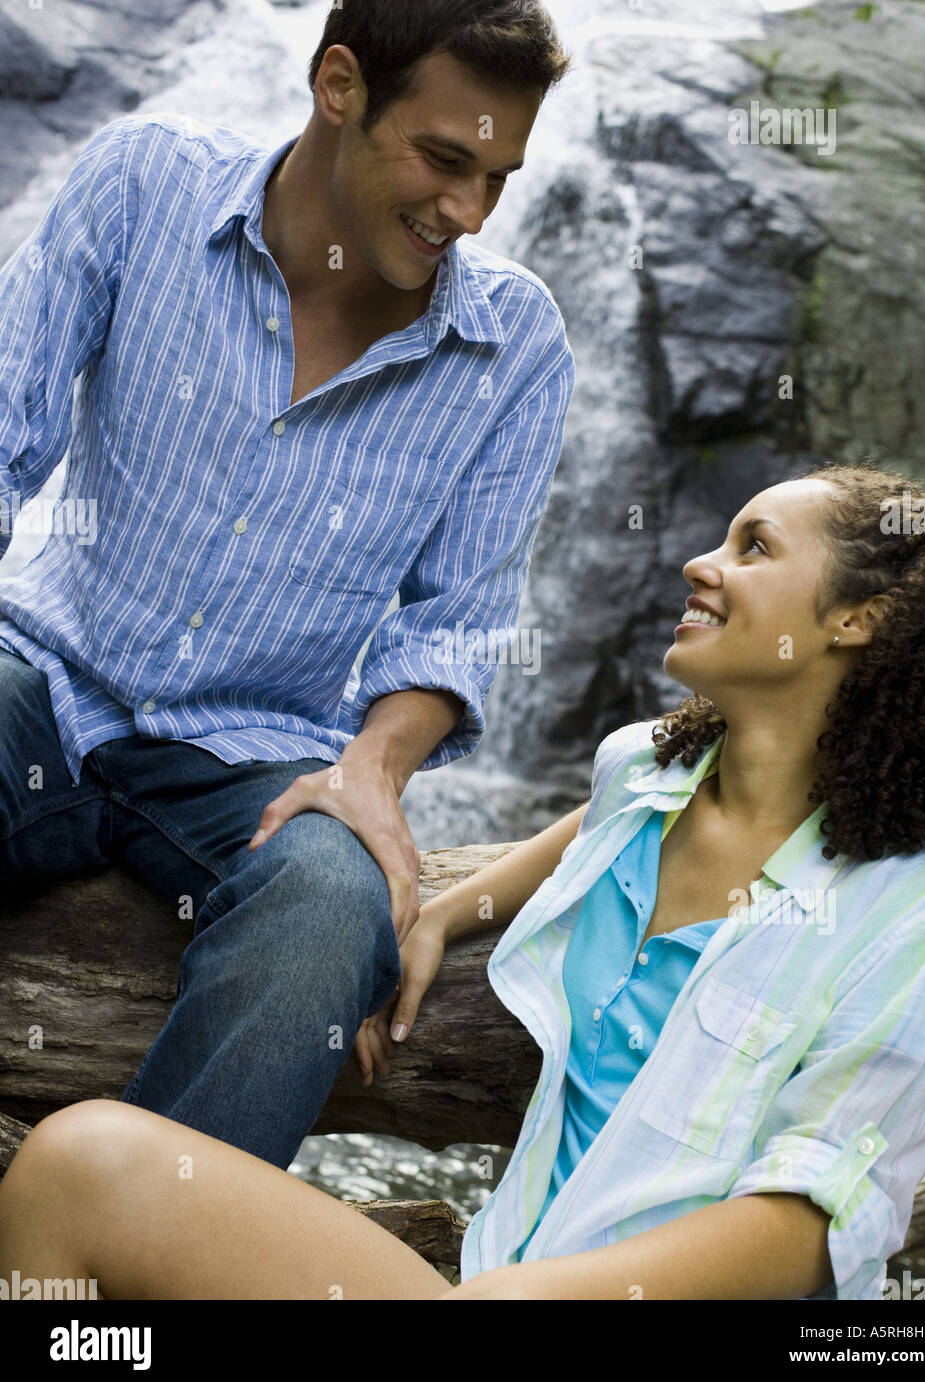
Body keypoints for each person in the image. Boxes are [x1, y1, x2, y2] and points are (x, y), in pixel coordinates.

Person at [3, 463, 925, 1300]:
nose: (699, 563)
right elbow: (587, 824)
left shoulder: (917, 911)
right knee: (78, 1163)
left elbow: (809, 1221)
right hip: (497, 1273)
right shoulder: (648, 772)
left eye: (751, 547)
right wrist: (440, 914)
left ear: (856, 619)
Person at [0, 1, 575, 1168]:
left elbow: (452, 628)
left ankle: (127, 1283)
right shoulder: (142, 187)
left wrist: (370, 773)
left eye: (498, 178)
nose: (465, 213)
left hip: (256, 760)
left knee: (328, 907)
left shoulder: (517, 347)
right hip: (44, 682)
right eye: (443, 160)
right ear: (338, 86)